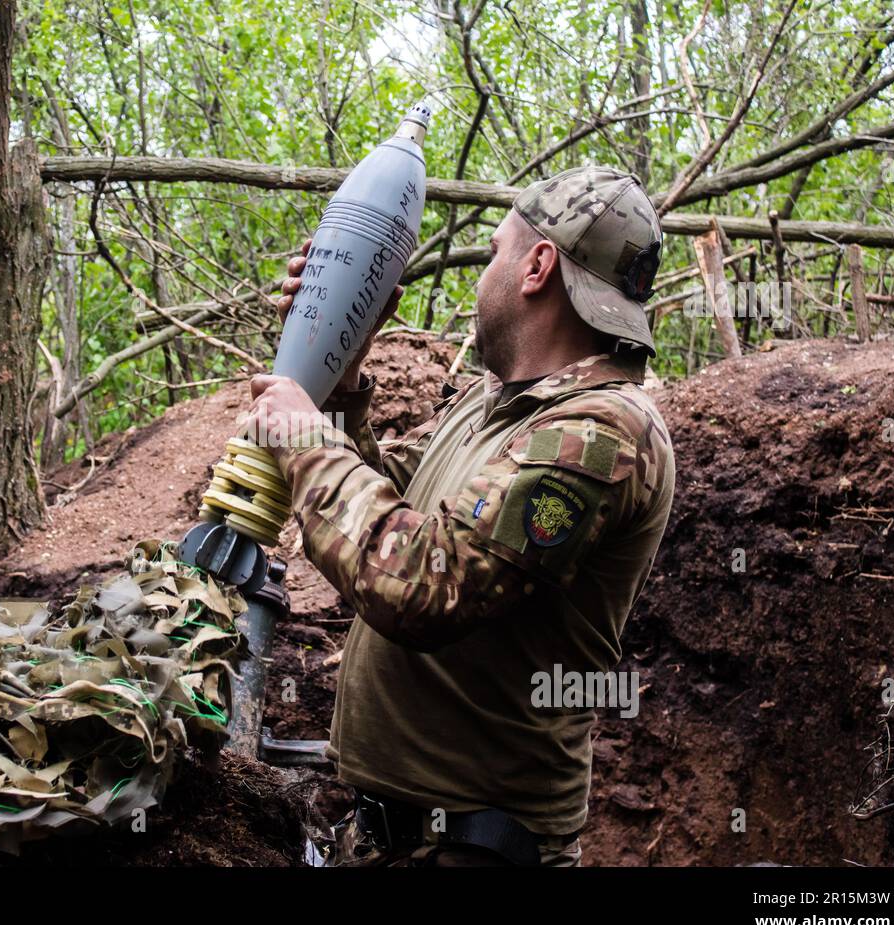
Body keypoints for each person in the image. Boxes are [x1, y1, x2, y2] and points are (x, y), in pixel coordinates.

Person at [247, 166, 676, 866]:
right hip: (396, 835)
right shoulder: (500, 400)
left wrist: (302, 439)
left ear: (537, 266)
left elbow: (419, 583)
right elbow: (386, 496)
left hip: (473, 849)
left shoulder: (597, 434)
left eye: (492, 254)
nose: (483, 277)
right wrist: (342, 354)